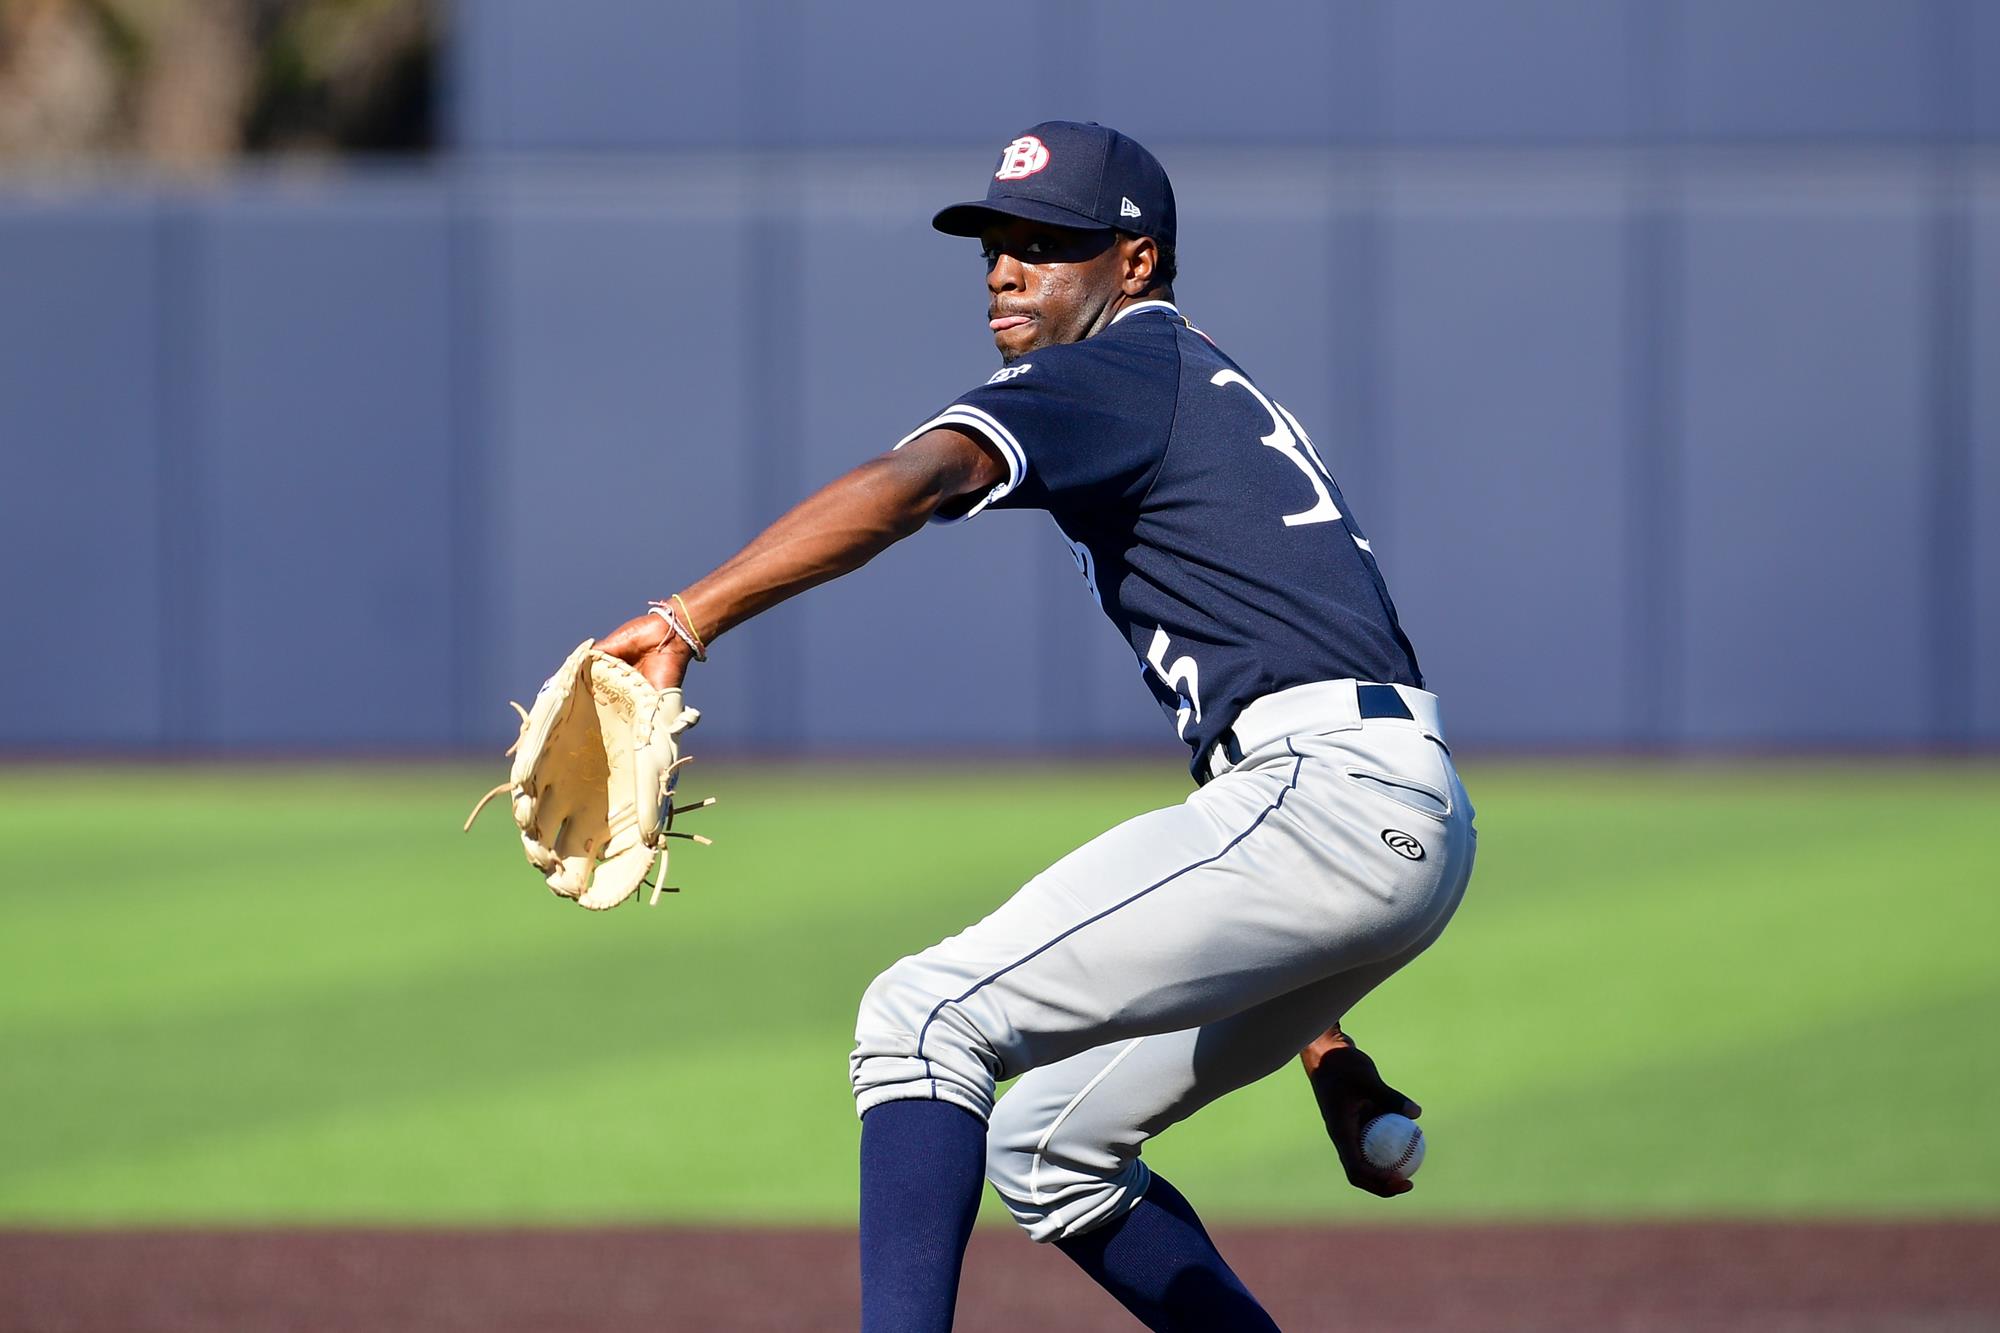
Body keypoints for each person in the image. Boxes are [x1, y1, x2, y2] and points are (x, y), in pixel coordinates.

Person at [599, 121, 1477, 1333]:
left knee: (919, 1020)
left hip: (1323, 794)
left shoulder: (1120, 367)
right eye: (994, 244)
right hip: (1378, 810)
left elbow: (915, 481)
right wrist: (1324, 1048)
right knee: (1051, 1151)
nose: (1006, 269)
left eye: (1048, 242)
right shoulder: (1185, 385)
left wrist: (684, 618)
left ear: (1134, 262)